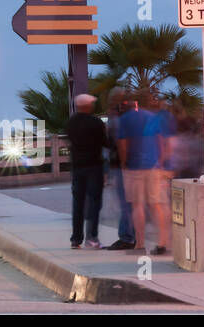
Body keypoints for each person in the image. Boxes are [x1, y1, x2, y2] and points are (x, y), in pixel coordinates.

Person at [118, 94, 171, 255]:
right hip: (153, 166)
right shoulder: (153, 118)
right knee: (155, 204)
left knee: (137, 204)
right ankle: (161, 242)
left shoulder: (125, 119)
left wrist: (123, 163)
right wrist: (160, 161)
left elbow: (122, 145)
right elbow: (161, 142)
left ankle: (140, 243)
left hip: (134, 167)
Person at [67, 93, 108, 249]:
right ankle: (92, 238)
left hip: (77, 167)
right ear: (88, 106)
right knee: (94, 203)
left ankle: (76, 239)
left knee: (78, 203)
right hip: (94, 166)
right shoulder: (96, 123)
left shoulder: (71, 123)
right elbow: (104, 142)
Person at [104, 89, 137, 250]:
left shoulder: (117, 120)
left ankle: (127, 237)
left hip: (121, 165)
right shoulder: (130, 118)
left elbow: (120, 143)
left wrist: (123, 164)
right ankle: (133, 236)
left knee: (125, 203)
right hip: (130, 164)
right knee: (130, 203)